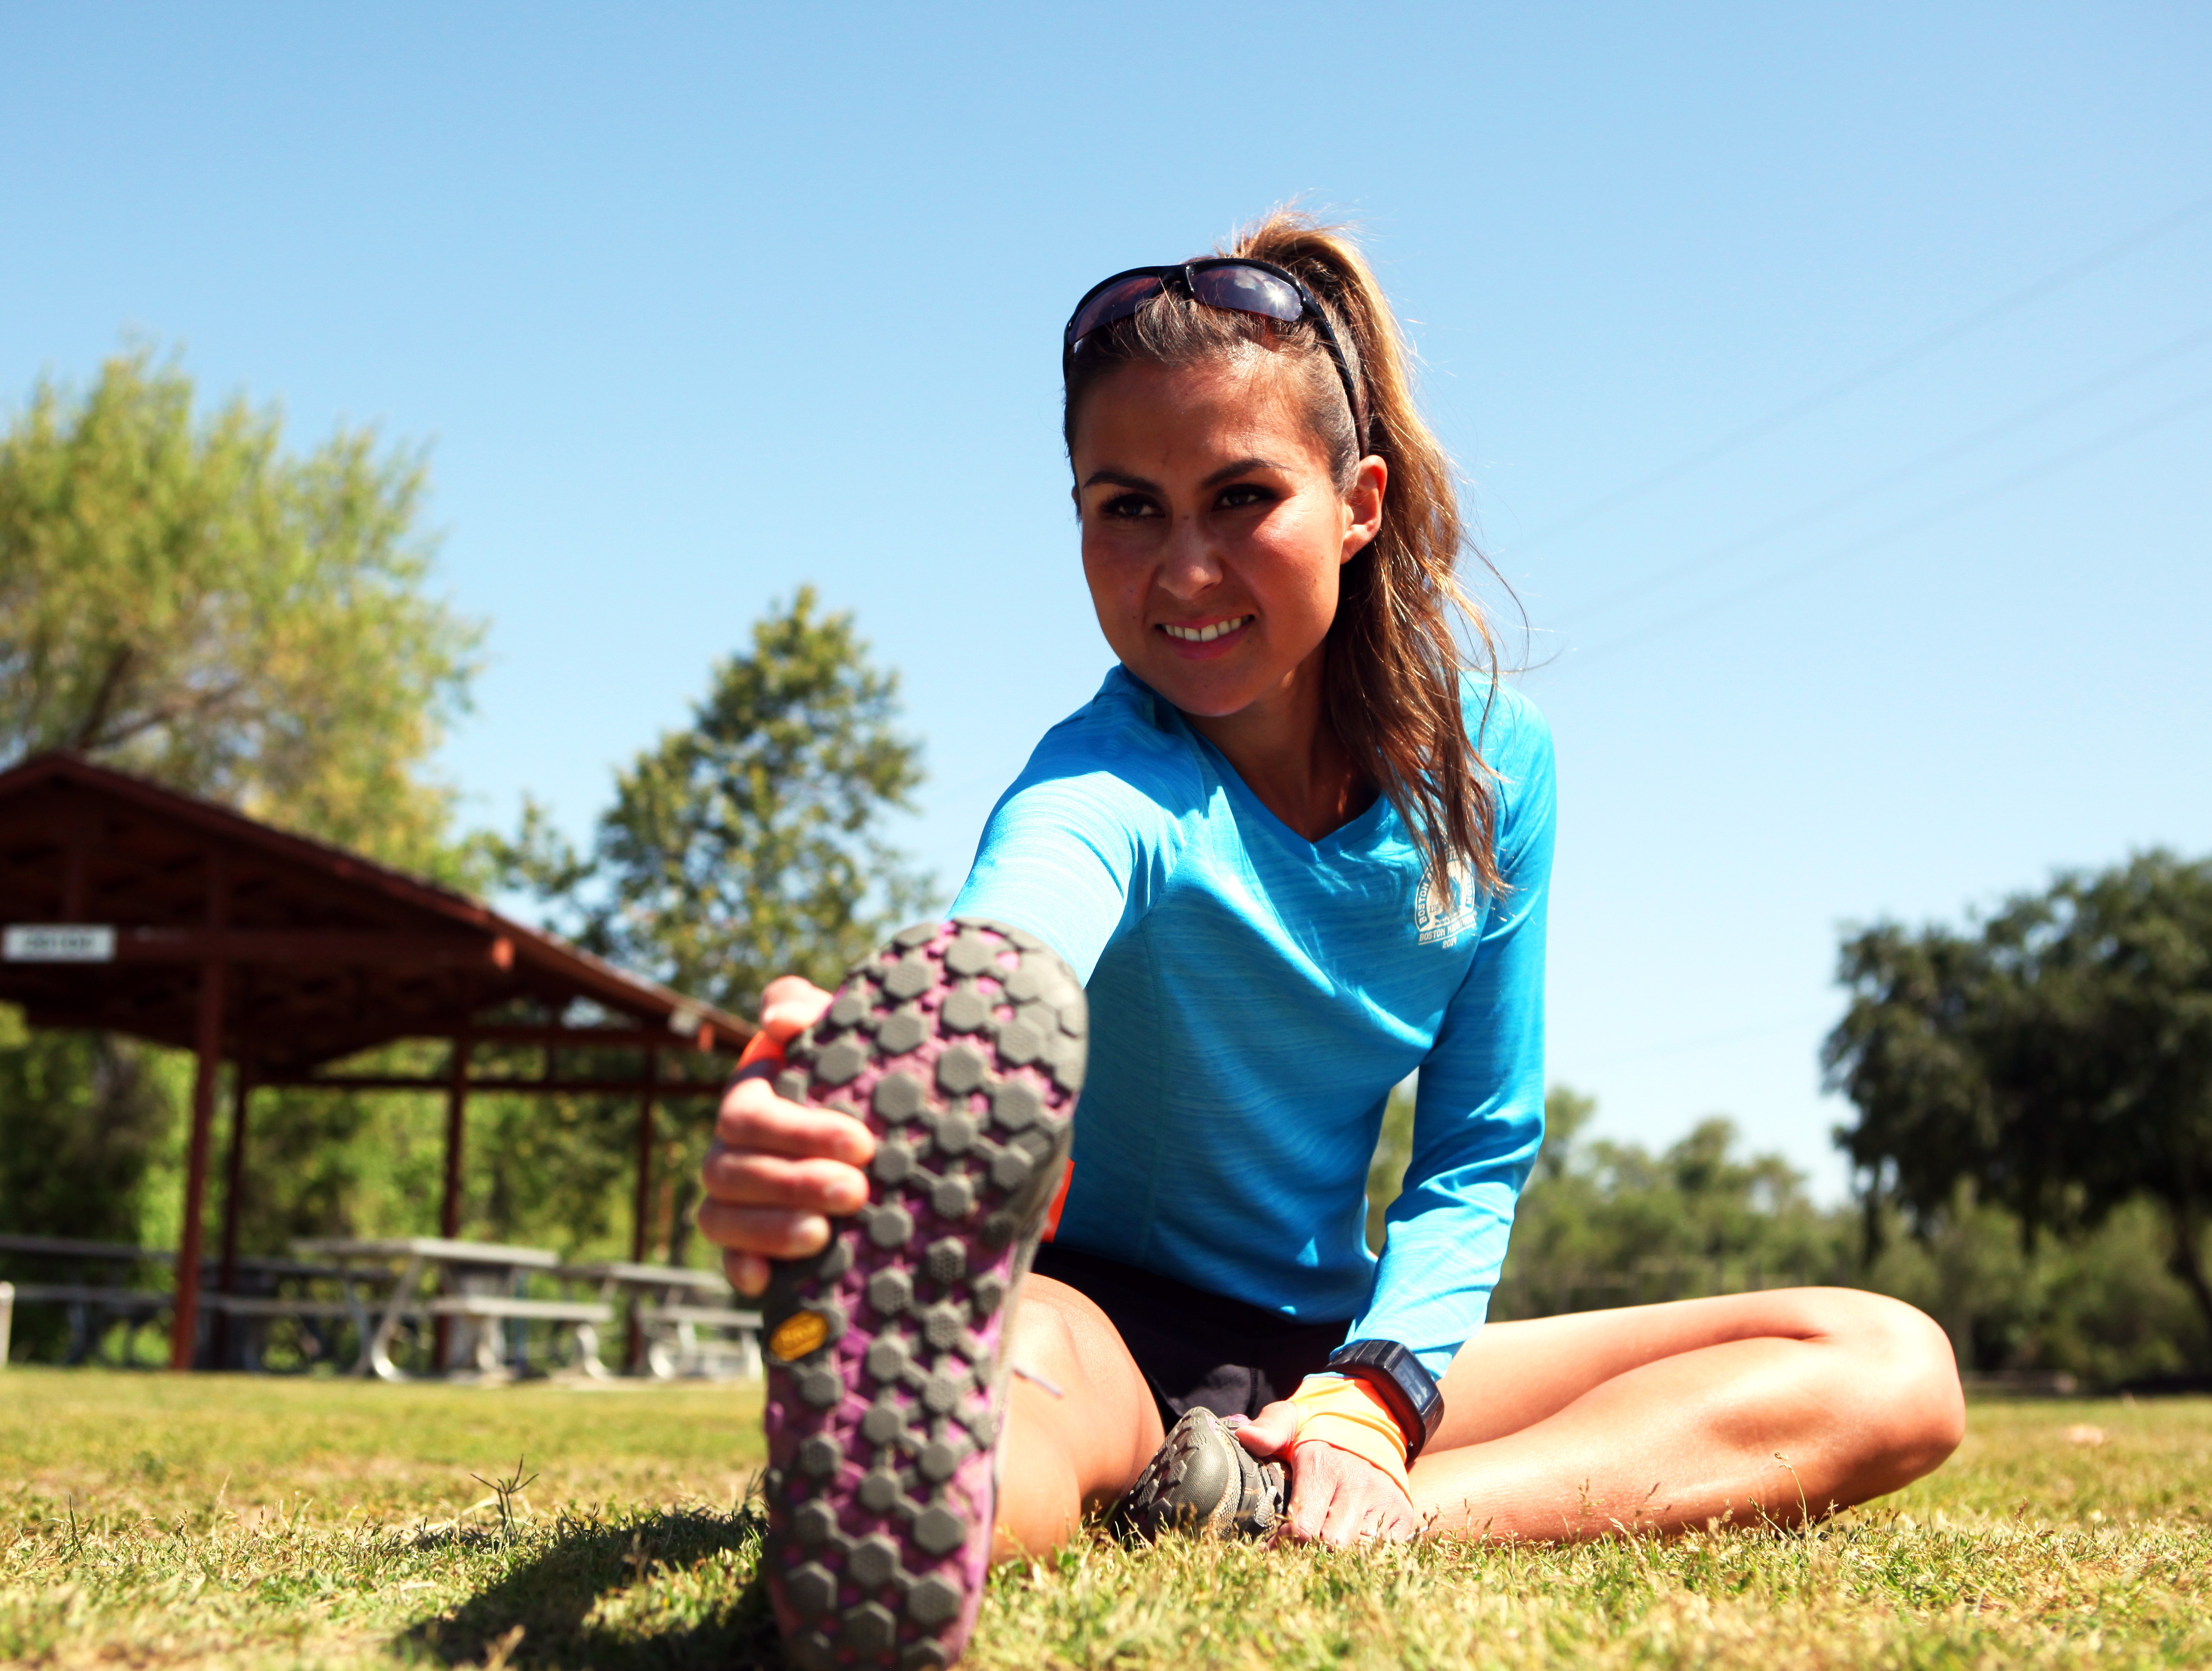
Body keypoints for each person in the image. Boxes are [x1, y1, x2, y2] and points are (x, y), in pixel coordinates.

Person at [699, 211, 1965, 1670]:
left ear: (1356, 500)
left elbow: (1478, 1142)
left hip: (1338, 1341)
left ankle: (1291, 1508)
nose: (1181, 569)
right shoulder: (1099, 785)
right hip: (1098, 1327)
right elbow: (1007, 952)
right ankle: (869, 1518)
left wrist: (1375, 1394)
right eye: (1125, 507)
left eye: (1240, 496)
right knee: (990, 1431)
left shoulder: (1494, 771)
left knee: (1886, 1364)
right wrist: (848, 1089)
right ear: (1076, 515)